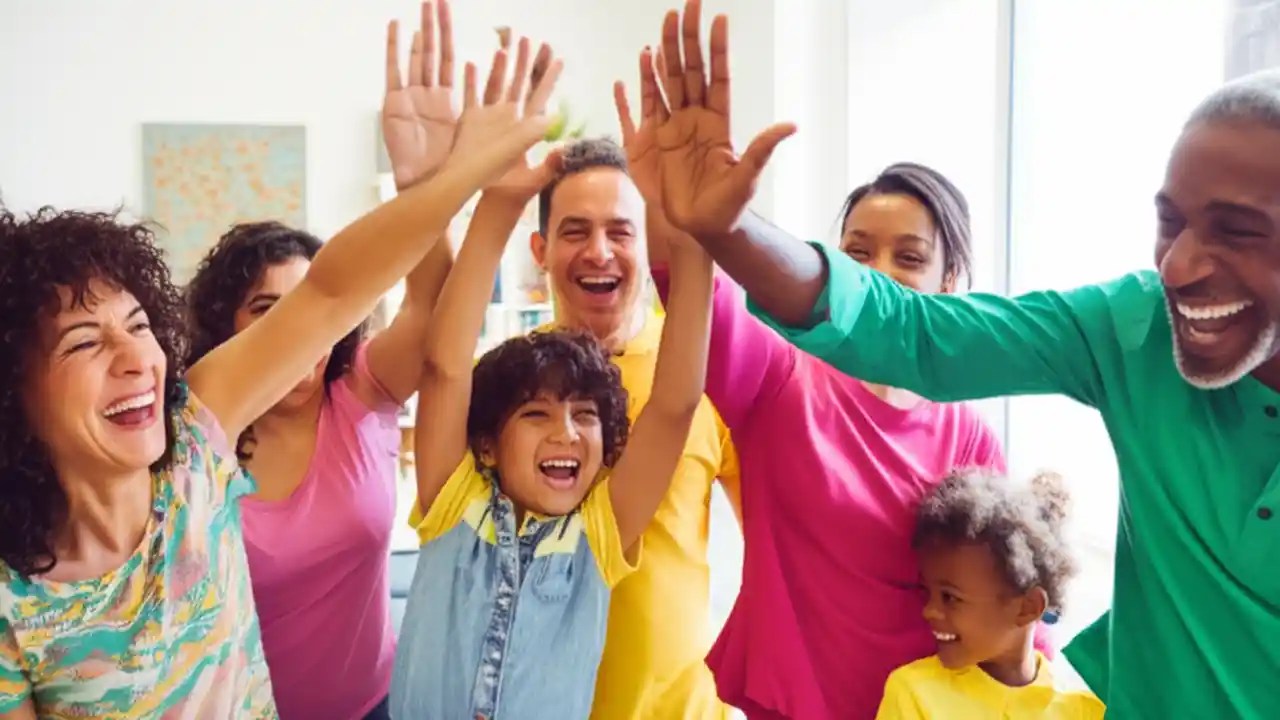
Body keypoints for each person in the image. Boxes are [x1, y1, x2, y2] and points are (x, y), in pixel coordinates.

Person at [646, 2, 1280, 715]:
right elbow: (908, 331)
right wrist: (723, 230)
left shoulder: (967, 435)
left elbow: (1003, 581)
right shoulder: (1135, 327)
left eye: (1238, 232)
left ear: (952, 274)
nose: (1181, 265)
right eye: (1170, 222)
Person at [0, 32, 558, 718]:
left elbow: (333, 291)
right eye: (85, 343)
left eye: (140, 325)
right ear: (13, 391)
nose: (135, 359)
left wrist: (453, 179)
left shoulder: (193, 447)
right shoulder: (14, 603)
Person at [389, 35, 715, 717]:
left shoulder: (599, 531)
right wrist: (497, 201)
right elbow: (445, 363)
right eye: (536, 414)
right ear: (488, 442)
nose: (563, 432)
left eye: (586, 417)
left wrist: (695, 234)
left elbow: (675, 403)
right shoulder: (456, 504)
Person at [180, 6, 457, 718]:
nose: (301, 338)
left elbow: (435, 307)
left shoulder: (363, 389)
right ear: (228, 330)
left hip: (377, 704)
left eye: (315, 314)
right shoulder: (194, 437)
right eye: (268, 315)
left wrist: (423, 184)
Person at [875, 470, 1103, 719]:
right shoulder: (912, 693)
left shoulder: (1081, 709)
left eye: (950, 597)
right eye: (927, 592)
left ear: (1028, 607)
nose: (929, 610)